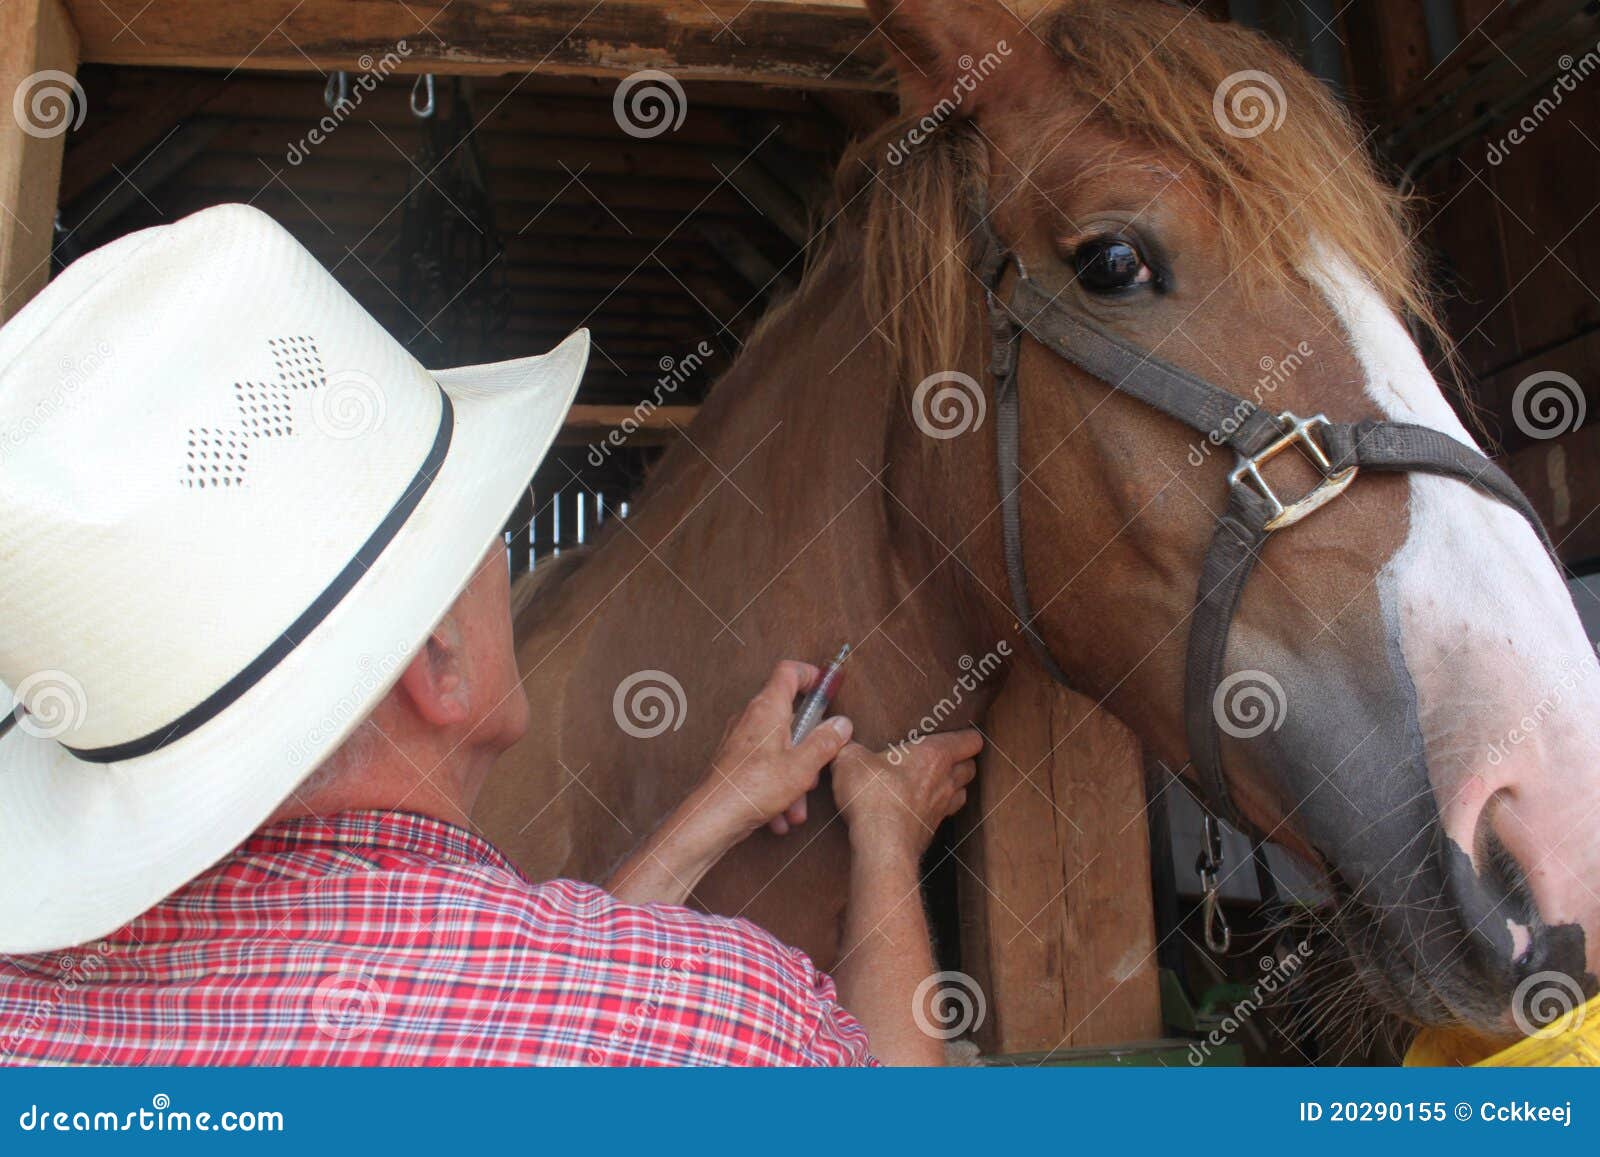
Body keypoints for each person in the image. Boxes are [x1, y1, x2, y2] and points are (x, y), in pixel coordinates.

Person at [0, 204, 981, 1067]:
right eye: (481, 533)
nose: (508, 550)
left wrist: (718, 804)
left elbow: (542, 1002)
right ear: (438, 659)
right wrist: (889, 838)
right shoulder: (734, 1023)